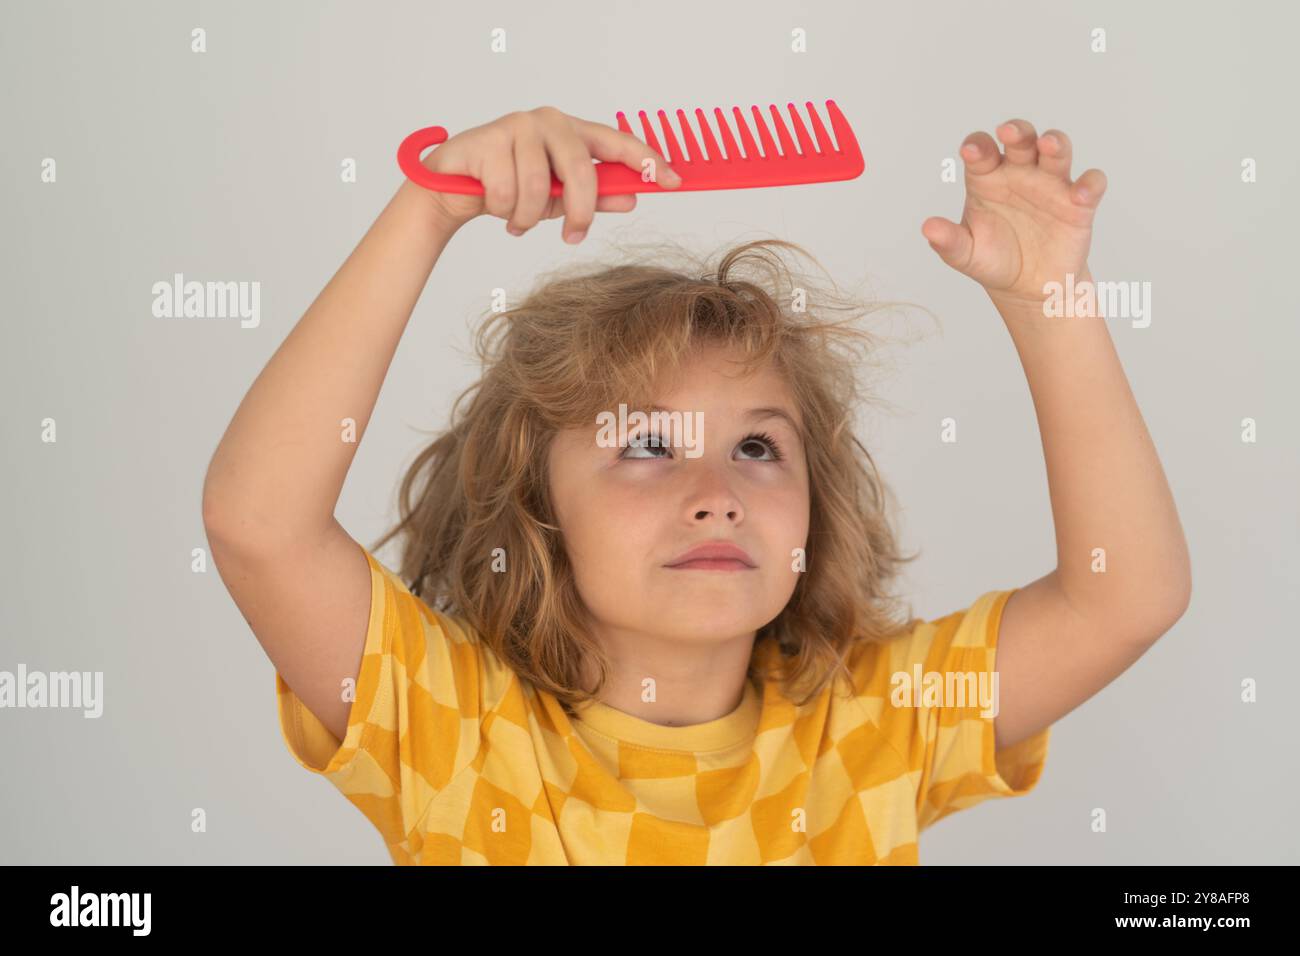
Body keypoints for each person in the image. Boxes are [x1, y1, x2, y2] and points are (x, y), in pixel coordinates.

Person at [202, 107, 1191, 864]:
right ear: (536, 511)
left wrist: (1049, 298)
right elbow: (259, 525)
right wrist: (429, 210)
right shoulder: (453, 727)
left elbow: (1125, 597)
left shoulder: (873, 725)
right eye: (645, 444)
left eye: (758, 448)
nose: (716, 490)